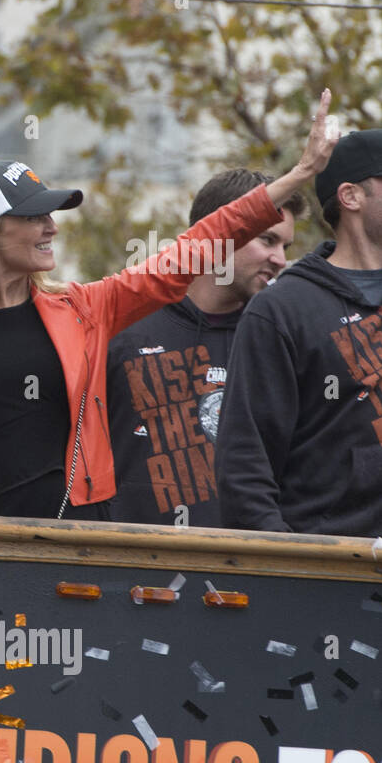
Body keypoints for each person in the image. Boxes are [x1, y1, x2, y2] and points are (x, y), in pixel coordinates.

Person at [0, 91, 336, 531]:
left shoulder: (83, 310)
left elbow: (193, 249)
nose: (52, 227)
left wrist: (298, 176)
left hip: (75, 536)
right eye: (37, 216)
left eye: (52, 215)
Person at [107, 169, 305, 526]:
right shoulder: (124, 326)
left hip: (241, 569)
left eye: (285, 247)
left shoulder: (279, 341)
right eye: (267, 239)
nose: (279, 259)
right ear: (221, 231)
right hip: (125, 563)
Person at [218, 121, 382, 536]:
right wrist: (294, 574)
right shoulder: (280, 311)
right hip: (328, 575)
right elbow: (245, 470)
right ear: (351, 196)